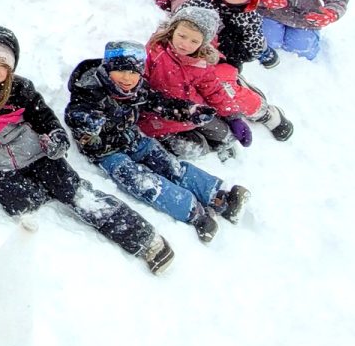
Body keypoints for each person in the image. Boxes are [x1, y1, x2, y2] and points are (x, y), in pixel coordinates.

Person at [0, 26, 172, 274]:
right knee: (16, 205)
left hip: (35, 153)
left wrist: (56, 136)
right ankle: (47, 191)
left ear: (11, 68)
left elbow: (44, 118)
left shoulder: (20, 89)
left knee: (77, 193)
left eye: (3, 65)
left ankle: (146, 240)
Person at [65, 40, 249, 244]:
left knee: (169, 165)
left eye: (133, 73)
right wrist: (87, 123)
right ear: (108, 69)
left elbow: (158, 102)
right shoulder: (90, 91)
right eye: (121, 71)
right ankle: (191, 211)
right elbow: (75, 114)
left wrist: (189, 111)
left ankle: (216, 194)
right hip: (105, 151)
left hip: (131, 138)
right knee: (141, 181)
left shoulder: (136, 88)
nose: (127, 78)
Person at [141, 6, 293, 158]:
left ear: (203, 42)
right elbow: (140, 85)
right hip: (163, 114)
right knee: (193, 149)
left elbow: (213, 90)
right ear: (172, 30)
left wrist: (232, 116)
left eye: (194, 41)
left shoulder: (201, 62)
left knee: (225, 136)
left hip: (196, 112)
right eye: (182, 36)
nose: (185, 44)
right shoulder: (155, 52)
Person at [181, 0, 276, 70]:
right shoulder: (199, 1)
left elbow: (254, 48)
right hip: (188, 50)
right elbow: (174, 24)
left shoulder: (251, 17)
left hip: (225, 61)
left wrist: (235, 50)